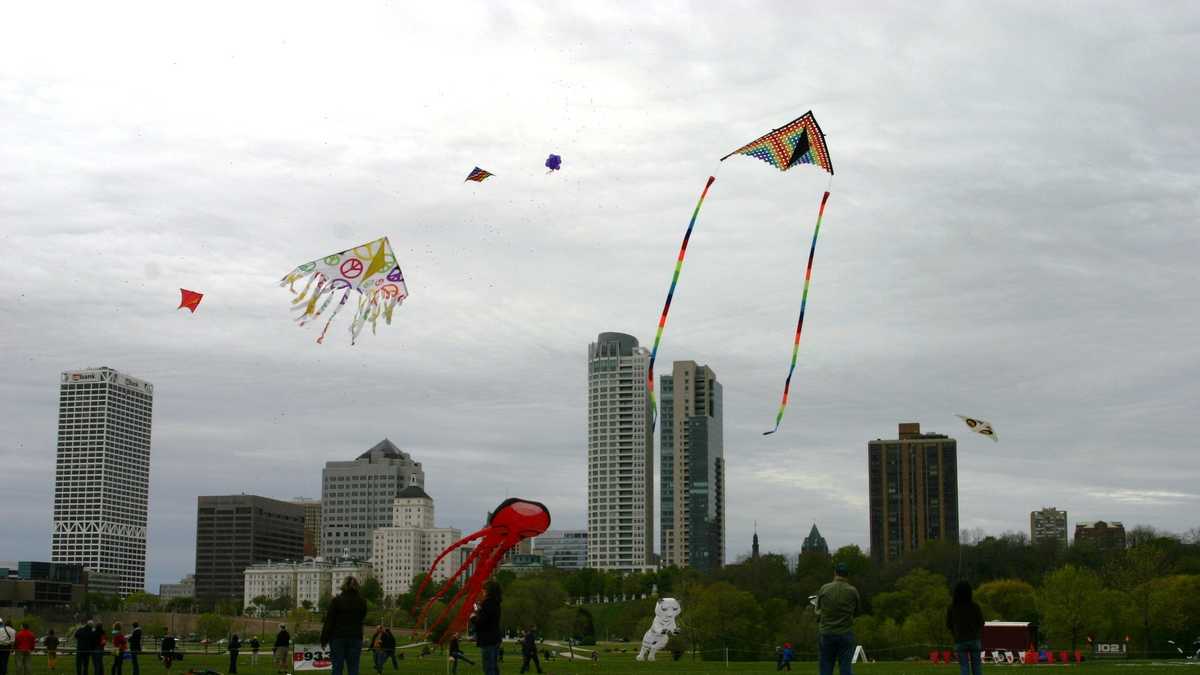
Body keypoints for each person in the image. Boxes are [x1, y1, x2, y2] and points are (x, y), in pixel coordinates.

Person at [816, 562, 860, 675]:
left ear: (835, 573)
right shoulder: (852, 591)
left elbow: (817, 611)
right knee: (845, 667)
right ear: (847, 575)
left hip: (826, 632)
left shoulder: (824, 588)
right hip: (845, 633)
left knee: (826, 666)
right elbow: (857, 611)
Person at [320, 577, 367, 675]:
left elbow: (329, 621)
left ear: (343, 586)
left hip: (338, 637)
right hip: (355, 637)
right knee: (353, 667)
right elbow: (362, 617)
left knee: (337, 667)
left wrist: (324, 639)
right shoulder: (362, 602)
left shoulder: (336, 601)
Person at [947, 581, 985, 675]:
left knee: (964, 667)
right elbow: (981, 622)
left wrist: (954, 633)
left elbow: (948, 624)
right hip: (975, 639)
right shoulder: (975, 606)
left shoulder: (952, 608)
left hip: (960, 640)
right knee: (977, 667)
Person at [470, 582, 502, 675]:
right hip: (495, 638)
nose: (482, 591)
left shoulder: (487, 603)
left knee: (488, 668)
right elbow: (488, 617)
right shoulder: (496, 602)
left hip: (488, 640)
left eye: (484, 589)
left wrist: (472, 618)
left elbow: (482, 622)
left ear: (489, 591)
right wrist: (479, 610)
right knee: (493, 667)